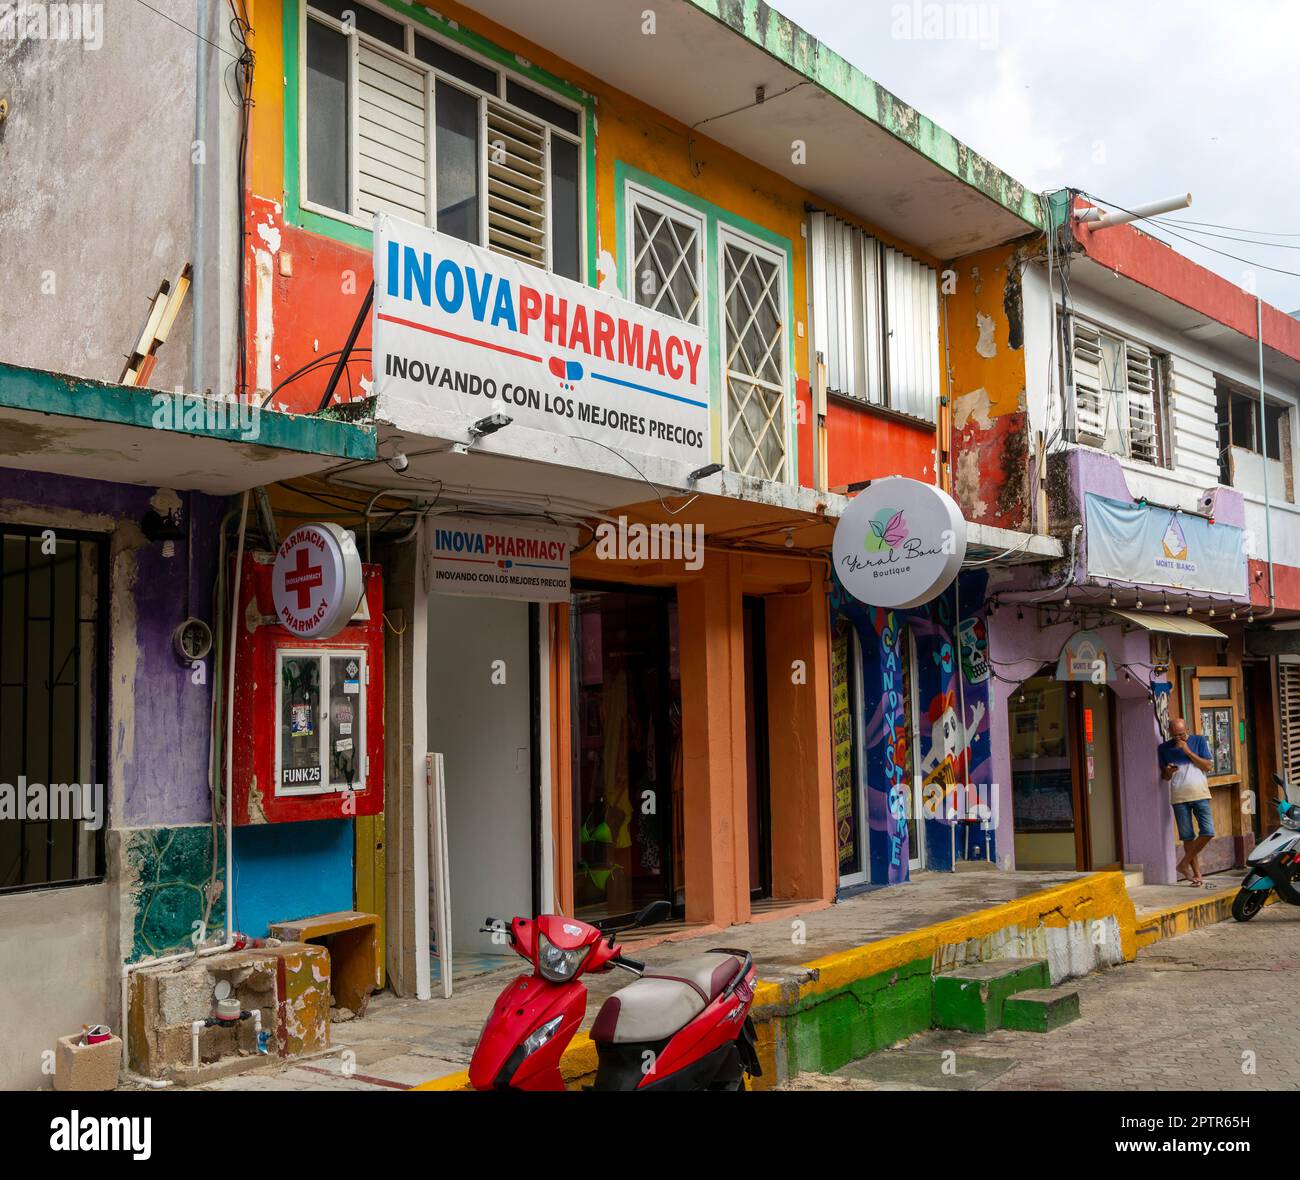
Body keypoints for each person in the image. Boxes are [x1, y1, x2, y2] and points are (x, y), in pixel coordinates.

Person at [1158, 718, 1216, 886]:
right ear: (1170, 733)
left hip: (1200, 793)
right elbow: (1165, 776)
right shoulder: (1163, 748)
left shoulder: (1198, 741)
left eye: (1182, 734)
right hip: (1179, 797)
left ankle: (1183, 863)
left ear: (1187, 729)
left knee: (1208, 831)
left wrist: (1188, 751)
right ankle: (1197, 876)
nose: (1179, 738)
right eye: (1176, 736)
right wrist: (1168, 772)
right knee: (1187, 836)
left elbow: (1208, 766)